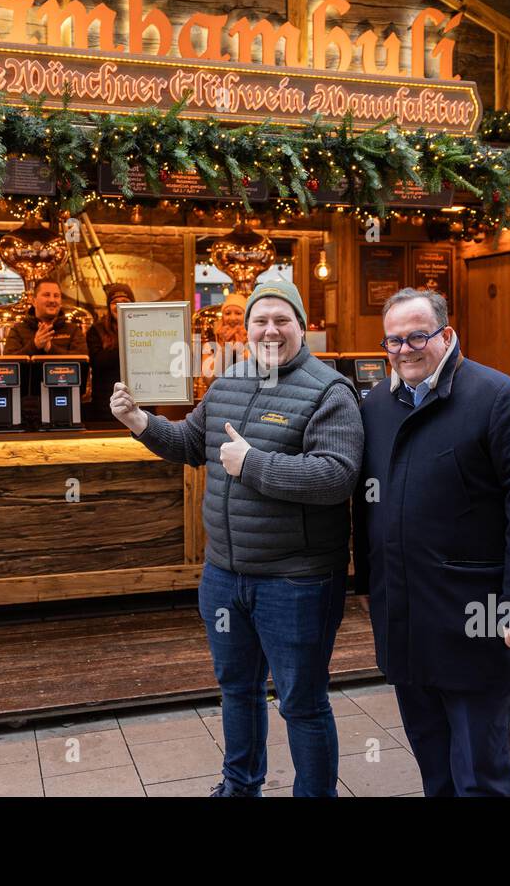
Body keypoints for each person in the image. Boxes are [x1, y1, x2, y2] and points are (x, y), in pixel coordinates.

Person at [110, 280, 363, 797]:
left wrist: (253, 465)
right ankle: (240, 787)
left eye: (281, 320)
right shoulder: (230, 380)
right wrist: (139, 421)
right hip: (225, 576)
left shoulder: (330, 390)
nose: (270, 330)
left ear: (301, 325)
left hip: (297, 581)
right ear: (246, 328)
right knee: (237, 692)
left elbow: (336, 476)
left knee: (302, 702)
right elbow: (191, 442)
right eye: (260, 320)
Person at [352, 288, 510, 796]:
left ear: (446, 335)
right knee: (434, 765)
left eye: (418, 336)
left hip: (479, 620)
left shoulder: (499, 398)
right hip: (405, 619)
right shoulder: (377, 404)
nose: (405, 350)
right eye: (394, 340)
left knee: (480, 774)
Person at [85, 282, 134, 425]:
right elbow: (97, 362)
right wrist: (129, 348)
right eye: (115, 302)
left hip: (139, 401)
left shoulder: (143, 327)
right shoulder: (97, 330)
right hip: (106, 402)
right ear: (108, 306)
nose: (119, 306)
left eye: (125, 301)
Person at [4, 278, 86, 355]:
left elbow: (83, 365)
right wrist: (34, 345)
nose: (52, 300)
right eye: (46, 295)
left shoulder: (73, 330)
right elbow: (9, 366)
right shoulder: (18, 330)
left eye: (56, 296)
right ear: (33, 301)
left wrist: (50, 348)